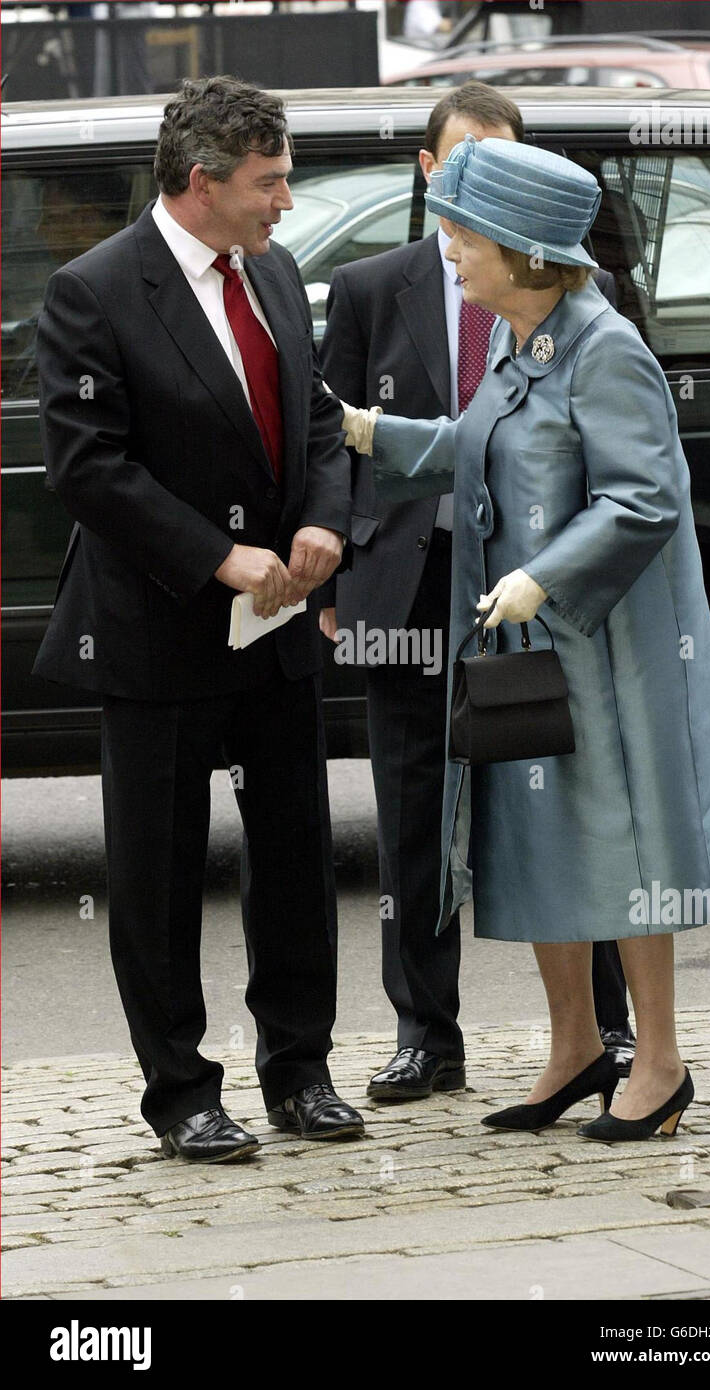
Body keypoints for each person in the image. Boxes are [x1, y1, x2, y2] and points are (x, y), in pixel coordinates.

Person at [341, 134, 710, 1140]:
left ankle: (655, 1064)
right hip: (524, 656)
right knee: (537, 842)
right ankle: (574, 1047)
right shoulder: (511, 337)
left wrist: (541, 575)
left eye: (460, 234)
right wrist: (370, 434)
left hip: (600, 656)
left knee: (623, 848)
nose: (445, 249)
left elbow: (645, 497)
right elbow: (475, 446)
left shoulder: (602, 347)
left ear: (520, 247)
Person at [33, 76, 364, 1160]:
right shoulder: (93, 290)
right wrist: (221, 557)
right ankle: (180, 1091)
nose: (285, 201)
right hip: (159, 624)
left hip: (276, 628)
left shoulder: (269, 272)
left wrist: (322, 525)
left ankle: (299, 1069)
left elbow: (316, 422)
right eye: (268, 182)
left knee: (296, 854)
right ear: (200, 182)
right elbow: (91, 472)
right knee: (160, 871)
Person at [320, 83, 635, 1104]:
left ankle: (605, 1029)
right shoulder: (372, 288)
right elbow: (337, 444)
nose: (487, 188)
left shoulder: (580, 302)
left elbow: (618, 466)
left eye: (507, 160)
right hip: (406, 594)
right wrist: (334, 566)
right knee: (411, 817)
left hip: (530, 596)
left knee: (564, 799)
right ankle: (425, 1034)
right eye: (466, 166)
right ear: (427, 171)